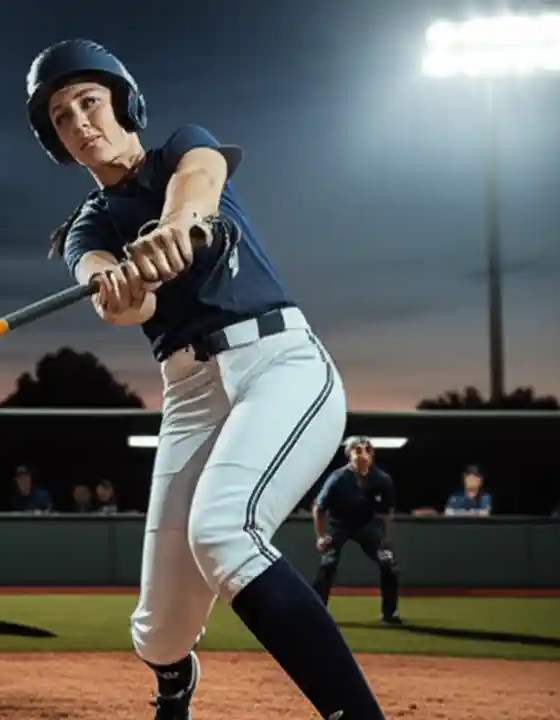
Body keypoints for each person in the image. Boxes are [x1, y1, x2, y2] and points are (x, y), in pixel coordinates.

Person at [25, 39, 385, 720]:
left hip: (278, 363)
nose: (80, 122)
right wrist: (122, 285)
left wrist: (176, 227)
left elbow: (198, 187)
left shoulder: (183, 148)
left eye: (89, 102)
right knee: (158, 631)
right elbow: (122, 302)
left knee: (223, 530)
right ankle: (175, 681)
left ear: (125, 103)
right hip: (189, 394)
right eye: (62, 117)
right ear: (57, 142)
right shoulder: (85, 229)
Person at [311, 436, 401, 624]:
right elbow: (318, 508)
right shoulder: (337, 478)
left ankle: (390, 613)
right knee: (328, 565)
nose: (363, 455)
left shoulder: (382, 479)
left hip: (367, 526)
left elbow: (387, 512)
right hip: (339, 525)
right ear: (349, 455)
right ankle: (317, 612)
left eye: (367, 451)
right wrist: (321, 537)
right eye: (358, 451)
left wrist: (385, 538)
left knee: (388, 563)